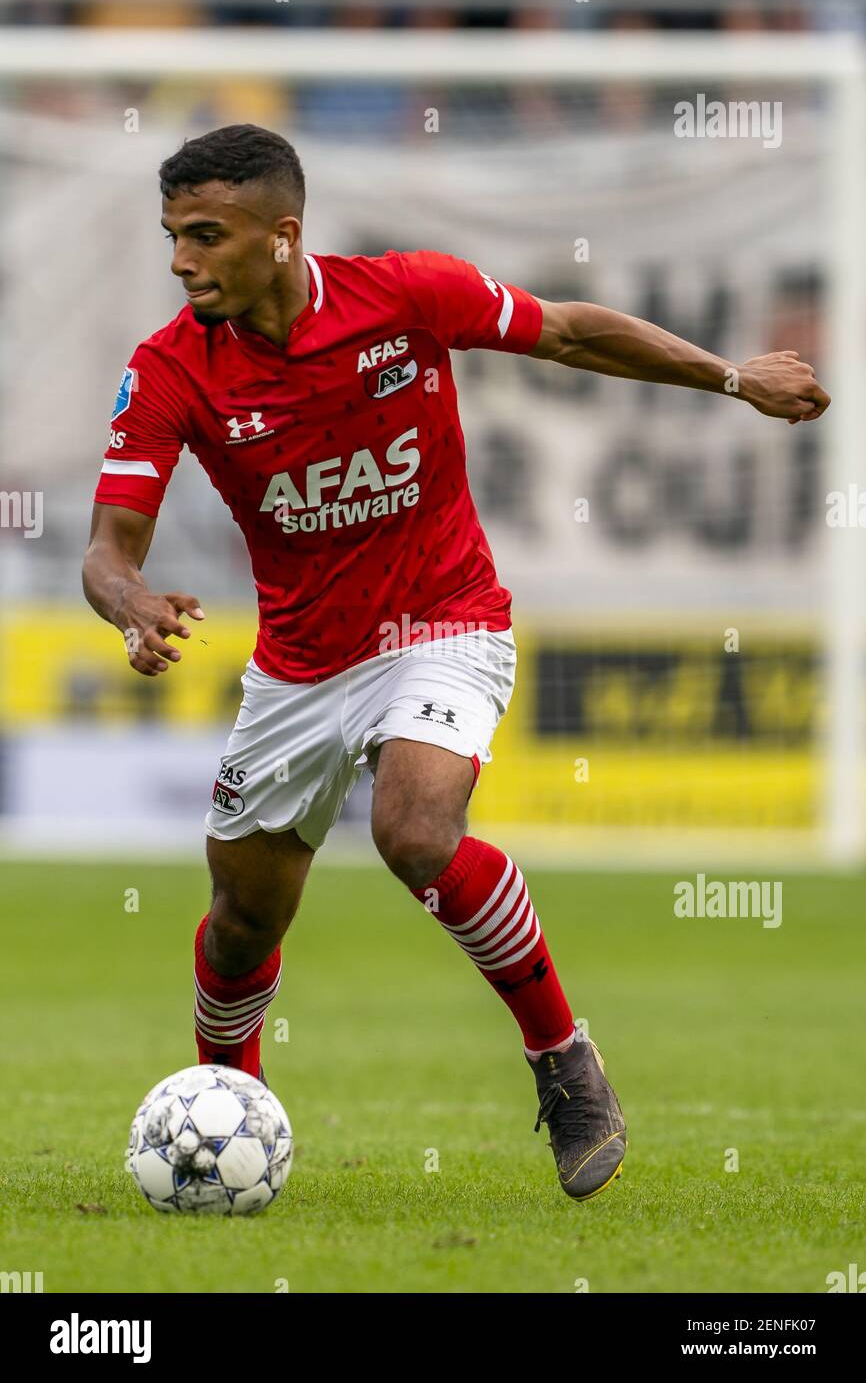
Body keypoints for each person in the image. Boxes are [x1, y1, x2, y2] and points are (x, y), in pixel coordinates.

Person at [82, 123, 829, 1202]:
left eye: (206, 236)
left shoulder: (407, 298)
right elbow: (109, 549)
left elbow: (568, 332)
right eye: (173, 237)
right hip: (298, 666)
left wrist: (727, 376)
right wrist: (131, 604)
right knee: (243, 923)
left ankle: (563, 1060)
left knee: (415, 831)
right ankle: (224, 1104)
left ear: (283, 237)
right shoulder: (167, 371)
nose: (181, 261)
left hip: (443, 618)